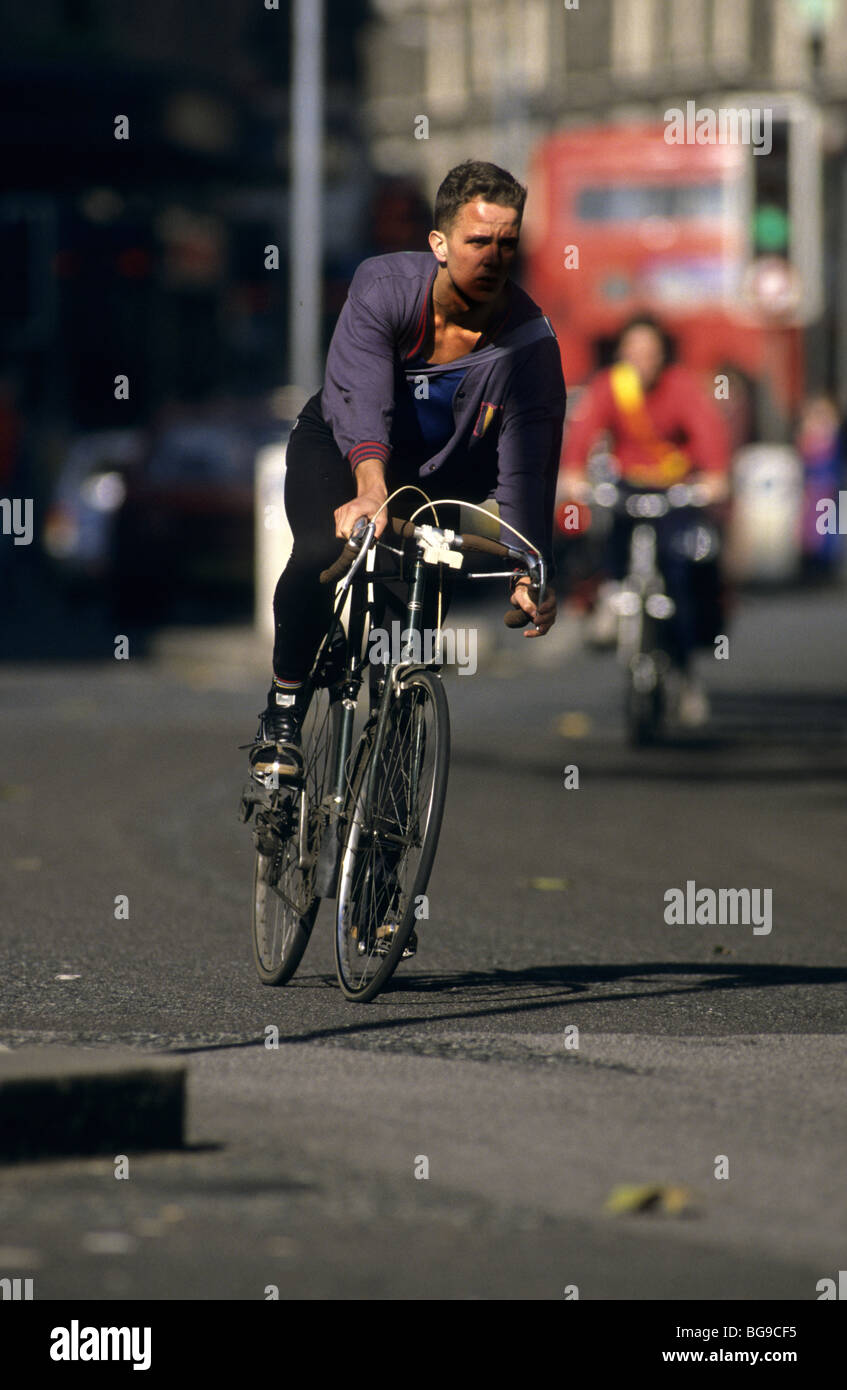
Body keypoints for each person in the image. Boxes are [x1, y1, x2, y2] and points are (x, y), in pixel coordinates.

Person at [249, 160, 566, 779]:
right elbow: (363, 395)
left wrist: (530, 567)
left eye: (508, 242)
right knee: (319, 551)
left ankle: (387, 798)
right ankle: (283, 713)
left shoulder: (531, 346)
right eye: (479, 241)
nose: (495, 256)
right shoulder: (383, 286)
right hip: (342, 449)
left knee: (409, 636)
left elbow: (528, 469)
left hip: (435, 487)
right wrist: (370, 487)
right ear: (440, 244)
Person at [560, 315, 731, 726]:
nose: (642, 360)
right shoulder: (609, 388)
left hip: (673, 492)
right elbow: (581, 439)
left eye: (650, 352)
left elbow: (710, 441)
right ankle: (609, 597)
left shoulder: (681, 389)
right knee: (603, 537)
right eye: (633, 351)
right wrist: (573, 476)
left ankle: (686, 672)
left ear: (662, 356)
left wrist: (713, 479)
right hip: (627, 488)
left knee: (681, 572)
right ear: (622, 354)